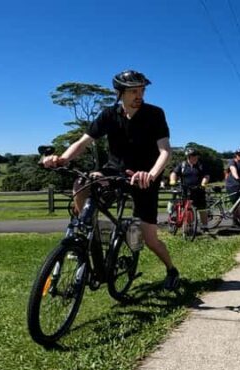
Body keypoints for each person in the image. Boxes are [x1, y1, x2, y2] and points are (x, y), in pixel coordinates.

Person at [41, 69, 181, 290]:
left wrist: (151, 175)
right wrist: (62, 159)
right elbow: (83, 142)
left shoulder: (154, 114)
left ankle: (171, 270)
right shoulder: (109, 114)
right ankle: (89, 236)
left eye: (142, 90)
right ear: (119, 93)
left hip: (144, 177)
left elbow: (165, 151)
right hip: (114, 171)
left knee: (150, 238)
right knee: (82, 183)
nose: (139, 95)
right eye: (133, 91)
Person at [170, 147, 210, 231]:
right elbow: (174, 173)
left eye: (196, 156)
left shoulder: (201, 166)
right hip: (186, 191)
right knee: (188, 209)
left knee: (202, 209)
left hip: (199, 190)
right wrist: (173, 180)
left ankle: (205, 227)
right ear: (188, 156)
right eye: (193, 156)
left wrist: (204, 183)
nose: (196, 157)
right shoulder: (182, 165)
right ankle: (190, 227)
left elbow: (206, 175)